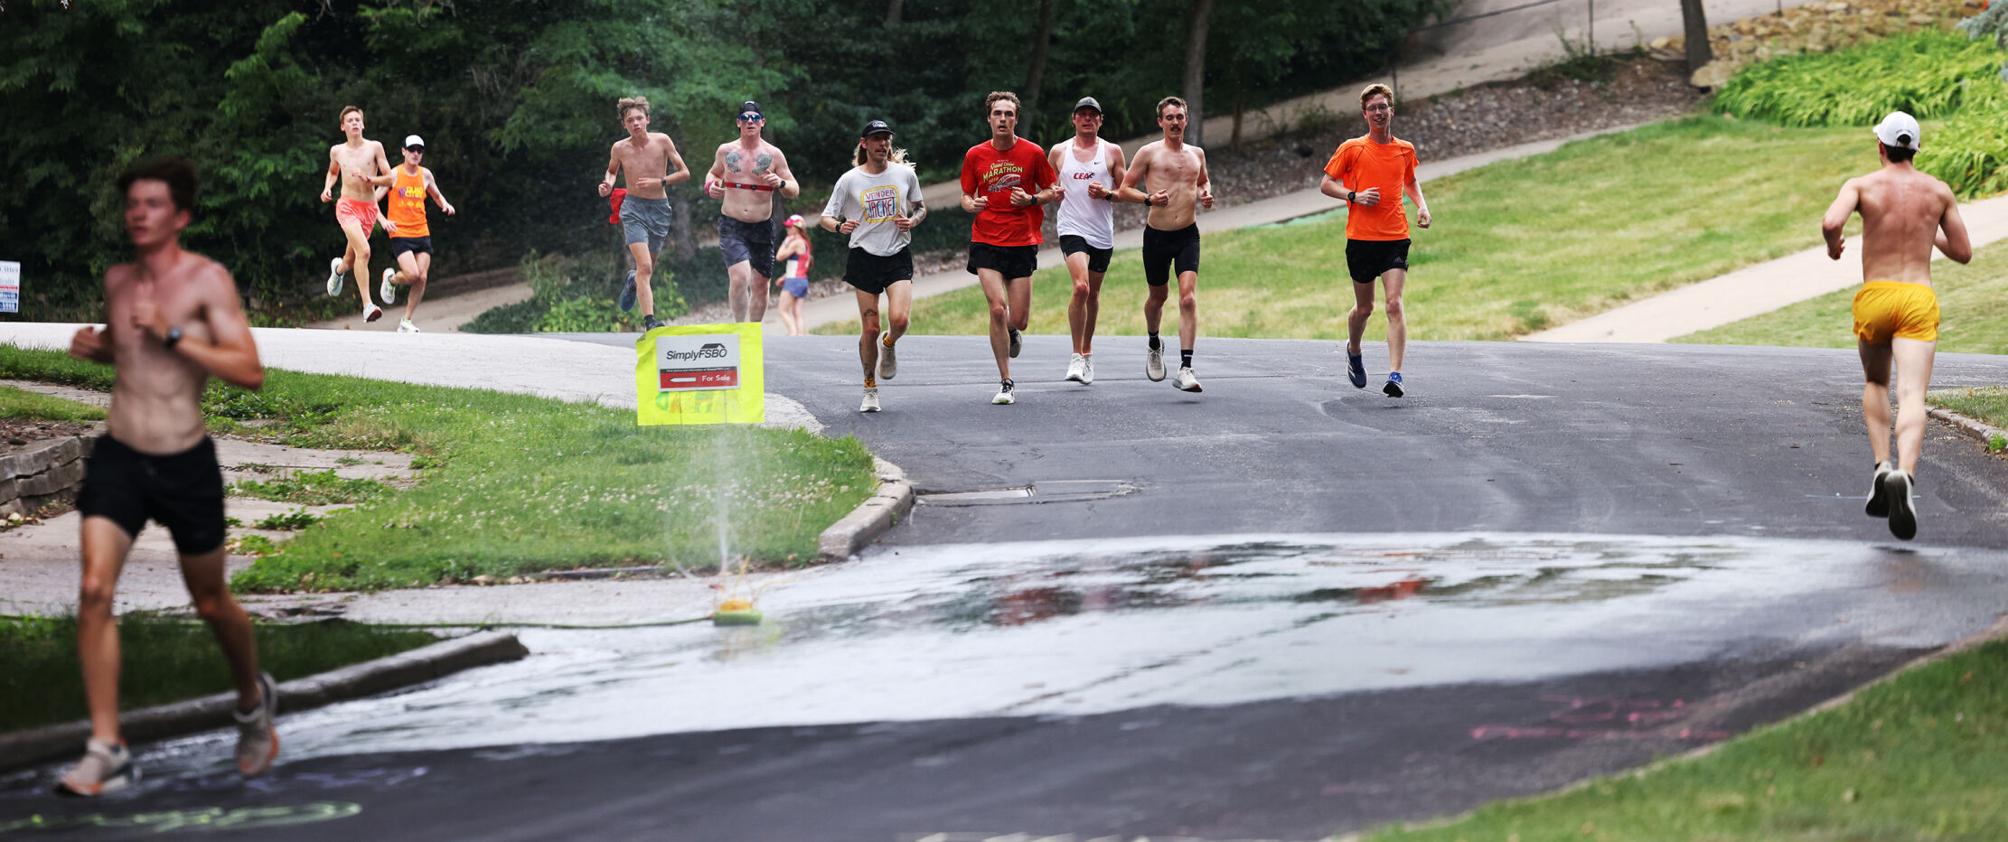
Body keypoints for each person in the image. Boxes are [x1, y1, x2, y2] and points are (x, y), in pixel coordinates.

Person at [59, 157, 278, 796]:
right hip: (121, 455)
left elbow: (249, 370)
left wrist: (174, 332)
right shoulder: (119, 280)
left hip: (186, 462)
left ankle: (251, 701)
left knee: (211, 601)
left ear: (179, 215)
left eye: (153, 203)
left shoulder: (208, 281)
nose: (139, 213)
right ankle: (107, 745)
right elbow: (130, 352)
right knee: (95, 588)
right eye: (132, 203)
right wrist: (96, 346)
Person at [1822, 111, 1972, 541]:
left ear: (1881, 148)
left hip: (1877, 296)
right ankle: (1905, 474)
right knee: (1912, 394)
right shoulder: (1937, 191)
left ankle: (1881, 468)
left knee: (1876, 384)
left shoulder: (1862, 186)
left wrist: (1835, 247)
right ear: (1915, 150)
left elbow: (1833, 222)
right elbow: (1962, 251)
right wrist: (1929, 233)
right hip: (1917, 299)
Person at [1321, 83, 1432, 398]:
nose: (1379, 112)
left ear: (1391, 110)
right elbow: (1326, 183)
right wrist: (1354, 195)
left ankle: (1395, 375)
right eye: (1373, 108)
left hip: (1395, 235)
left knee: (1394, 304)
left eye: (1384, 106)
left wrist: (1422, 206)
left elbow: (1410, 179)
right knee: (1365, 308)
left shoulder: (1404, 149)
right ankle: (1354, 349)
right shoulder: (1352, 148)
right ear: (1364, 114)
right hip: (1360, 239)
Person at [960, 91, 1059, 405]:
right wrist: (971, 204)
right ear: (989, 119)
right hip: (986, 238)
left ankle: (1013, 332)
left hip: (1022, 239)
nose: (1003, 119)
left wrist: (1031, 200)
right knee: (997, 309)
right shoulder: (975, 155)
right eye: (997, 114)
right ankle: (1006, 381)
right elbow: (965, 194)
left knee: (1019, 318)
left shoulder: (1032, 153)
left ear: (1016, 118)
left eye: (1009, 114)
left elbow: (1053, 189)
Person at [823, 119, 927, 413]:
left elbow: (920, 208)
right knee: (869, 328)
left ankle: (890, 343)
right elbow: (826, 217)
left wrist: (913, 221)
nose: (883, 144)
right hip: (863, 256)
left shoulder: (904, 174)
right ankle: (869, 386)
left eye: (886, 139)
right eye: (877, 139)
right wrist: (840, 227)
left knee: (900, 319)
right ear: (864, 143)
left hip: (897, 254)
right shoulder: (849, 180)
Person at [1112, 96, 1213, 393]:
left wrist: (1206, 194)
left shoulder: (1197, 154)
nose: (1175, 122)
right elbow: (1124, 189)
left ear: (1186, 119)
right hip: (1156, 236)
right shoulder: (1148, 153)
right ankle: (1154, 342)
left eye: (1179, 117)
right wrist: (1148, 199)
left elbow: (1204, 181)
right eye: (1169, 117)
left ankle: (1186, 367)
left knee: (1188, 298)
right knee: (1158, 297)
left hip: (1187, 235)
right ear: (1160, 122)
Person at [598, 95, 692, 332]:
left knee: (645, 270)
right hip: (633, 209)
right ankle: (650, 321)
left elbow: (684, 173)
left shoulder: (662, 141)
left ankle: (632, 280)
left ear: (648, 120)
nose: (636, 123)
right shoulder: (619, 148)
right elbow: (611, 171)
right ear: (625, 124)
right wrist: (607, 184)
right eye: (630, 120)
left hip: (660, 209)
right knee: (646, 267)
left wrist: (660, 181)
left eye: (639, 118)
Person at [705, 100, 801, 324]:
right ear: (738, 122)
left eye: (755, 118)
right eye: (745, 118)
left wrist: (780, 183)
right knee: (740, 278)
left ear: (762, 122)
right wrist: (711, 186)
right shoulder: (726, 151)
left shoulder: (773, 154)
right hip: (732, 224)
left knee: (760, 285)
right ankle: (740, 328)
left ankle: (753, 332)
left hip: (761, 226)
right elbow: (712, 174)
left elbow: (794, 189)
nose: (750, 121)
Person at [1054, 96, 1126, 386]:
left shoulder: (1112, 152)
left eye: (1092, 115)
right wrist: (1052, 193)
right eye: (1082, 114)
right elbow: (1046, 185)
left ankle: (1087, 351)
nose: (1087, 119)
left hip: (1101, 232)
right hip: (1071, 227)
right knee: (1080, 287)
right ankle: (1075, 356)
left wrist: (1107, 194)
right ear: (1073, 119)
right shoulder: (1060, 152)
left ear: (1100, 120)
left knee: (1093, 295)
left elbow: (1126, 191)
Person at [369, 134, 456, 333]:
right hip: (400, 232)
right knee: (412, 274)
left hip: (421, 230)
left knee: (422, 277)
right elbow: (372, 201)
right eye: (412, 149)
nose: (416, 154)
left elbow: (435, 193)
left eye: (419, 150)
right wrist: (383, 221)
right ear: (403, 151)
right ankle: (391, 280)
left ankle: (406, 321)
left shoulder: (425, 175)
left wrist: (445, 204)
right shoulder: (394, 175)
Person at [320, 105, 393, 323]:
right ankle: (368, 305)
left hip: (368, 209)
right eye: (349, 120)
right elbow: (333, 172)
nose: (354, 123)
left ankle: (339, 270)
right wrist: (327, 187)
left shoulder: (375, 148)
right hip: (347, 206)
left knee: (351, 258)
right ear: (343, 127)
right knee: (365, 251)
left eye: (357, 119)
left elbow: (389, 179)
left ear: (363, 124)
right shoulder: (337, 151)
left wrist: (372, 180)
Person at [773, 214, 813, 336]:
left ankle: (792, 335)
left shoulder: (796, 242)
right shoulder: (805, 243)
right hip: (802, 280)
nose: (788, 229)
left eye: (790, 227)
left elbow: (779, 257)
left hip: (794, 281)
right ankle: (800, 339)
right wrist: (785, 277)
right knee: (797, 313)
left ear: (798, 228)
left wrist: (786, 241)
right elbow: (799, 265)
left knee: (782, 310)